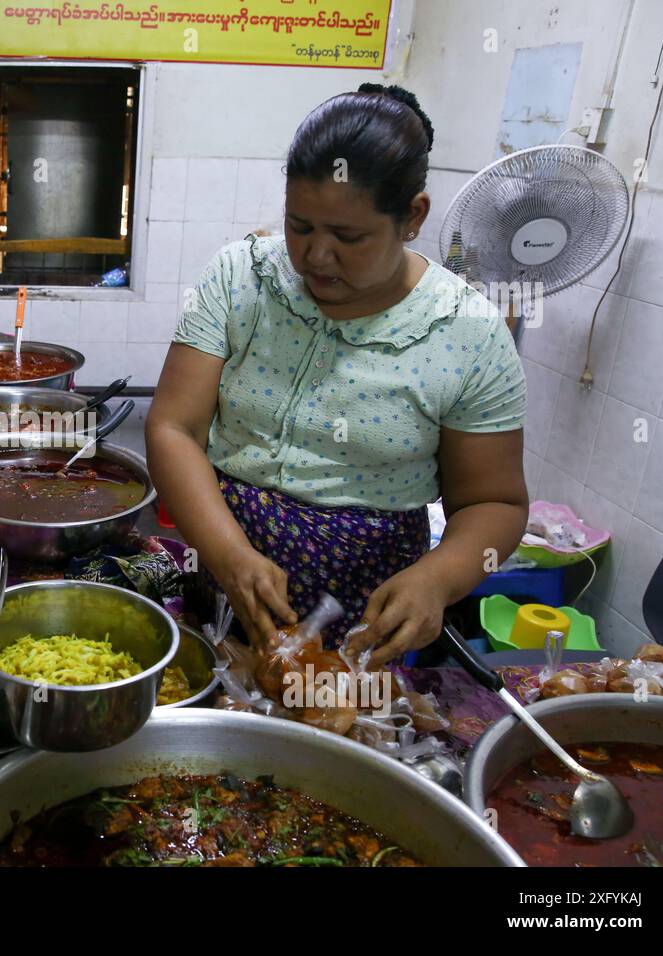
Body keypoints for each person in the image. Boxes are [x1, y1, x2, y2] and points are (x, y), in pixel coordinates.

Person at [146, 84, 528, 667]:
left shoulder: (467, 332)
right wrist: (229, 555)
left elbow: (495, 503)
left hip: (367, 614)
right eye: (299, 226)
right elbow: (174, 427)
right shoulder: (239, 277)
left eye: (348, 237)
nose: (316, 257)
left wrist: (437, 582)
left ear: (413, 217)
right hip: (220, 572)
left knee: (339, 733)